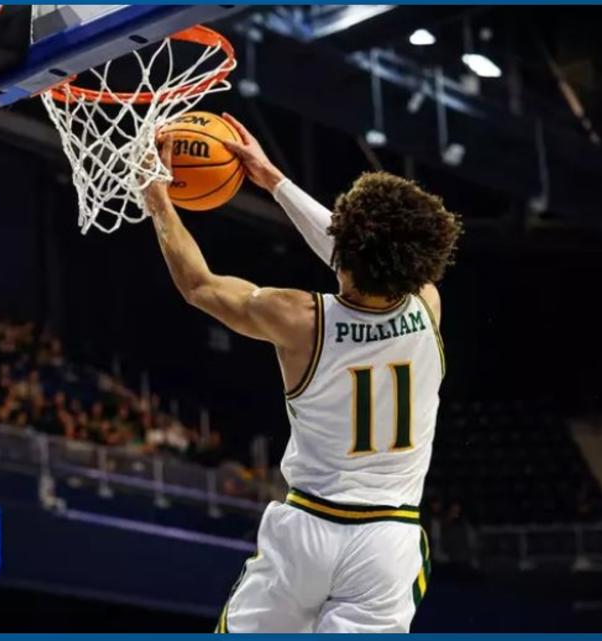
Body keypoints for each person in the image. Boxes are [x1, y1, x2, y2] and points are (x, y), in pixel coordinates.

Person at [139, 114, 461, 633]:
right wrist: (274, 180)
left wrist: (155, 194)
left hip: (306, 529)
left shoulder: (299, 319)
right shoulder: (428, 305)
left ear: (346, 252)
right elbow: (351, 250)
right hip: (387, 540)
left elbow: (198, 285)